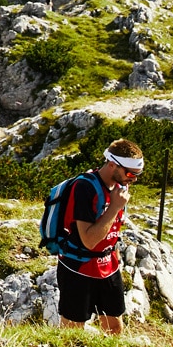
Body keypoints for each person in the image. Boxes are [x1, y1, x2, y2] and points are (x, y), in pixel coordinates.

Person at [52, 139, 144, 334]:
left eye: (137, 175)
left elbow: (115, 227)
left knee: (115, 328)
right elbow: (89, 240)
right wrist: (114, 208)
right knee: (72, 331)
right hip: (78, 267)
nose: (133, 179)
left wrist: (116, 255)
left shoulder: (121, 187)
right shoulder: (84, 187)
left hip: (108, 265)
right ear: (112, 164)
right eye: (130, 173)